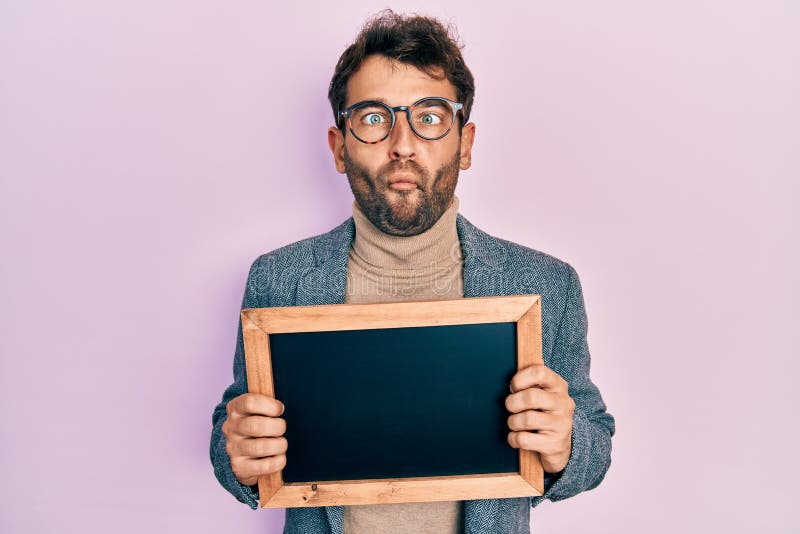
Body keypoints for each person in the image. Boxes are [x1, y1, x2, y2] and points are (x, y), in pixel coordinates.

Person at [210, 10, 614, 534]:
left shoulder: (544, 285)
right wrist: (239, 454)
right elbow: (235, 432)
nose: (402, 145)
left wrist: (568, 442)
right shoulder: (280, 279)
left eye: (429, 117)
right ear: (339, 147)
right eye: (374, 118)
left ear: (465, 144)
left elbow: (595, 446)